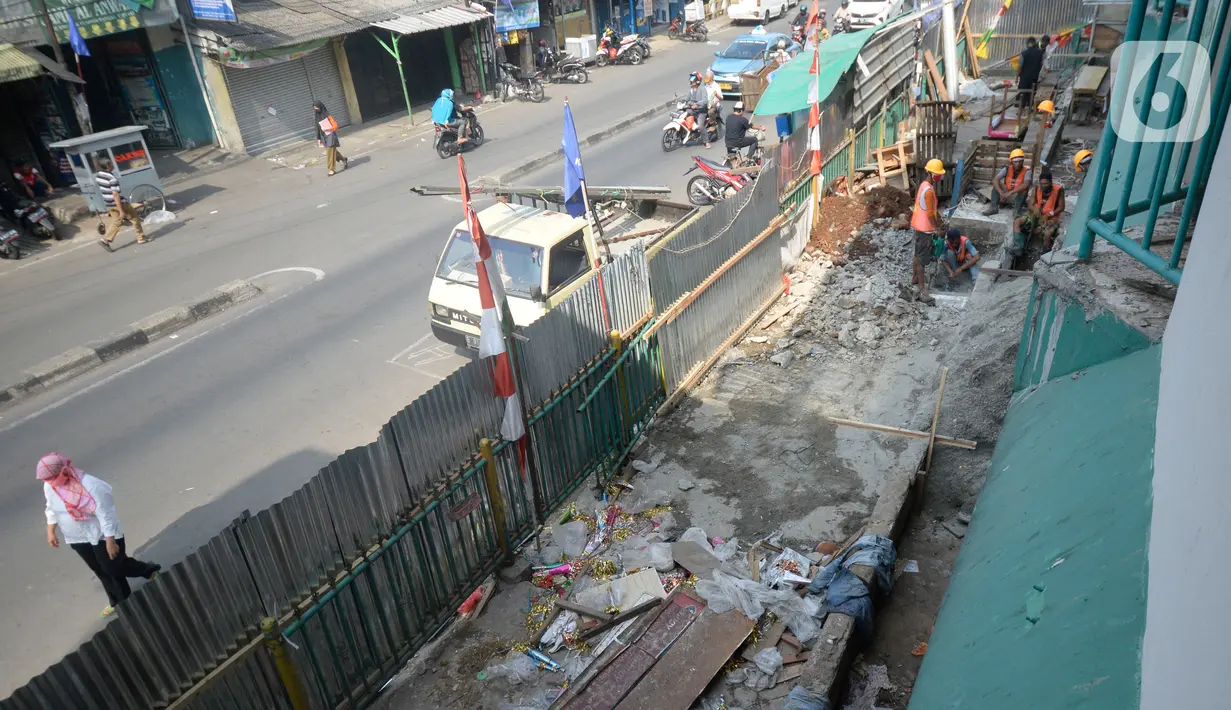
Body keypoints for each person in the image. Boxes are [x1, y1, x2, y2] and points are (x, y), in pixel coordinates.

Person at [40, 453, 161, 617]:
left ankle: (147, 571)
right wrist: (51, 531)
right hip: (77, 537)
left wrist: (110, 541)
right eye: (46, 479)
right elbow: (51, 508)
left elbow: (106, 514)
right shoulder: (50, 486)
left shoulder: (91, 485)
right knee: (101, 571)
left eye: (51, 477)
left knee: (112, 567)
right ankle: (118, 602)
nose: (49, 482)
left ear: (62, 471)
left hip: (103, 534)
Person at [911, 158, 946, 302]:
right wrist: (936, 229)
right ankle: (922, 290)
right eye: (939, 174)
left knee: (917, 254)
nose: (941, 176)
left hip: (918, 225)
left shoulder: (923, 185)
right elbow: (930, 214)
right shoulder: (929, 192)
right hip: (925, 228)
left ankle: (914, 278)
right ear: (932, 174)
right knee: (922, 260)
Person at [94, 157, 145, 251]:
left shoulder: (99, 176)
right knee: (134, 217)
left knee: (117, 221)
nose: (113, 165)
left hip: (108, 204)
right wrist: (121, 211)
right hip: (117, 203)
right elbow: (115, 194)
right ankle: (141, 238)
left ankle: (106, 240)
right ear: (107, 166)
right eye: (111, 164)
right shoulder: (112, 179)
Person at [1016, 169, 1065, 251]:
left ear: (1050, 182)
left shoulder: (1059, 190)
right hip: (1036, 216)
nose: (1043, 186)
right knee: (1017, 222)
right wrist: (1034, 208)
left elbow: (1061, 207)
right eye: (1041, 184)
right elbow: (1030, 204)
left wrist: (1049, 214)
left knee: (1048, 233)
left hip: (1051, 219)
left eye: (1046, 183)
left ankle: (1045, 253)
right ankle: (1018, 247)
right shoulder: (1036, 189)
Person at [984, 148, 1032, 217]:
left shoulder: (1027, 171)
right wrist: (1001, 193)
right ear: (1011, 162)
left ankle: (1016, 211)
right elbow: (995, 180)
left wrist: (1010, 193)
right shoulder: (1006, 169)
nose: (1018, 164)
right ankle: (993, 208)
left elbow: (1026, 184)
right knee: (996, 185)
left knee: (1024, 190)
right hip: (1005, 194)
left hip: (1017, 196)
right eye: (1015, 162)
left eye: (1020, 161)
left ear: (1023, 161)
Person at [1016, 37, 1045, 112]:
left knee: (1022, 92)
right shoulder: (1040, 53)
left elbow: (1019, 66)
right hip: (1034, 77)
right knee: (1032, 92)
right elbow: (1042, 64)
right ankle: (1029, 108)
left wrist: (1016, 77)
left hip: (1024, 77)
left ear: (1028, 43)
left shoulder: (1024, 53)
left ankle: (1021, 110)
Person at [685, 72, 711, 148]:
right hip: (693, 110)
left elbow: (705, 100)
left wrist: (696, 105)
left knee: (700, 125)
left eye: (693, 80)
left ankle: (706, 141)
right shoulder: (691, 90)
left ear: (698, 81)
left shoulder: (702, 89)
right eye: (691, 80)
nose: (691, 81)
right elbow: (687, 99)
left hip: (701, 111)